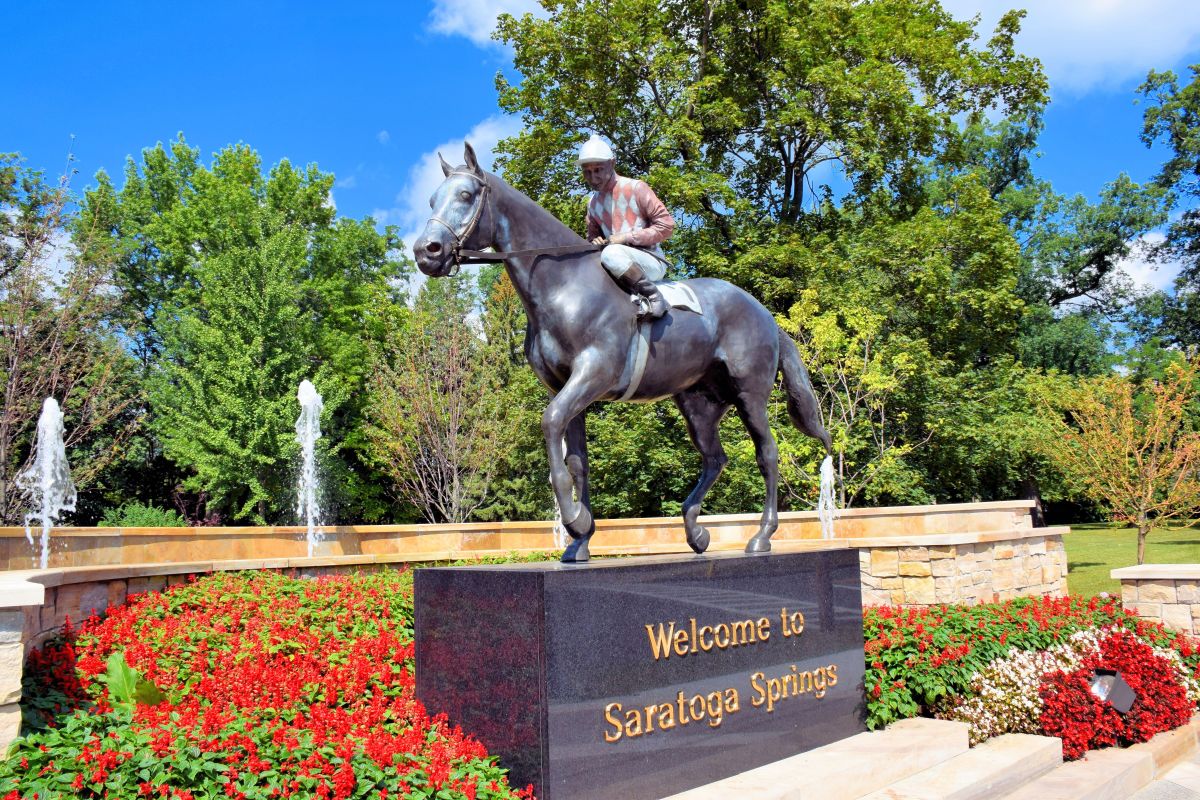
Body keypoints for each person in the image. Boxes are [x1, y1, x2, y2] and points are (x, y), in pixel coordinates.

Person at [579, 135, 675, 319]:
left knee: (611, 253)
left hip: (650, 260)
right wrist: (595, 242)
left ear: (612, 163)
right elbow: (592, 239)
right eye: (587, 172)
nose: (593, 177)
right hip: (617, 266)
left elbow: (666, 226)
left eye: (598, 170)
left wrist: (626, 237)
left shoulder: (636, 188)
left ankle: (654, 297)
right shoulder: (592, 203)